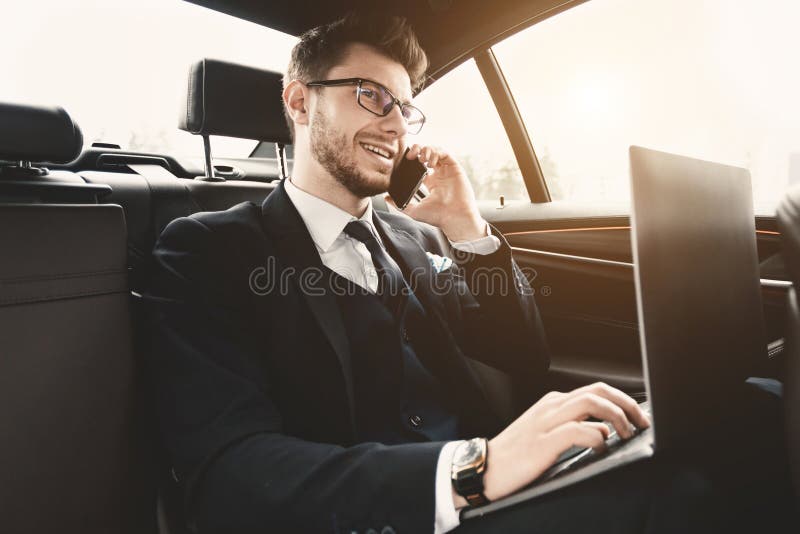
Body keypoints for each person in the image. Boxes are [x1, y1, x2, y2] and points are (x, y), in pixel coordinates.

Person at [142, 11, 788, 534]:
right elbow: (230, 473)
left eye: (405, 107)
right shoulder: (209, 250)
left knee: (755, 407)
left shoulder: (413, 237)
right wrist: (475, 468)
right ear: (299, 101)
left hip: (497, 489)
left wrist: (468, 229)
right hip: (395, 512)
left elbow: (521, 355)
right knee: (684, 494)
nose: (395, 124)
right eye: (372, 97)